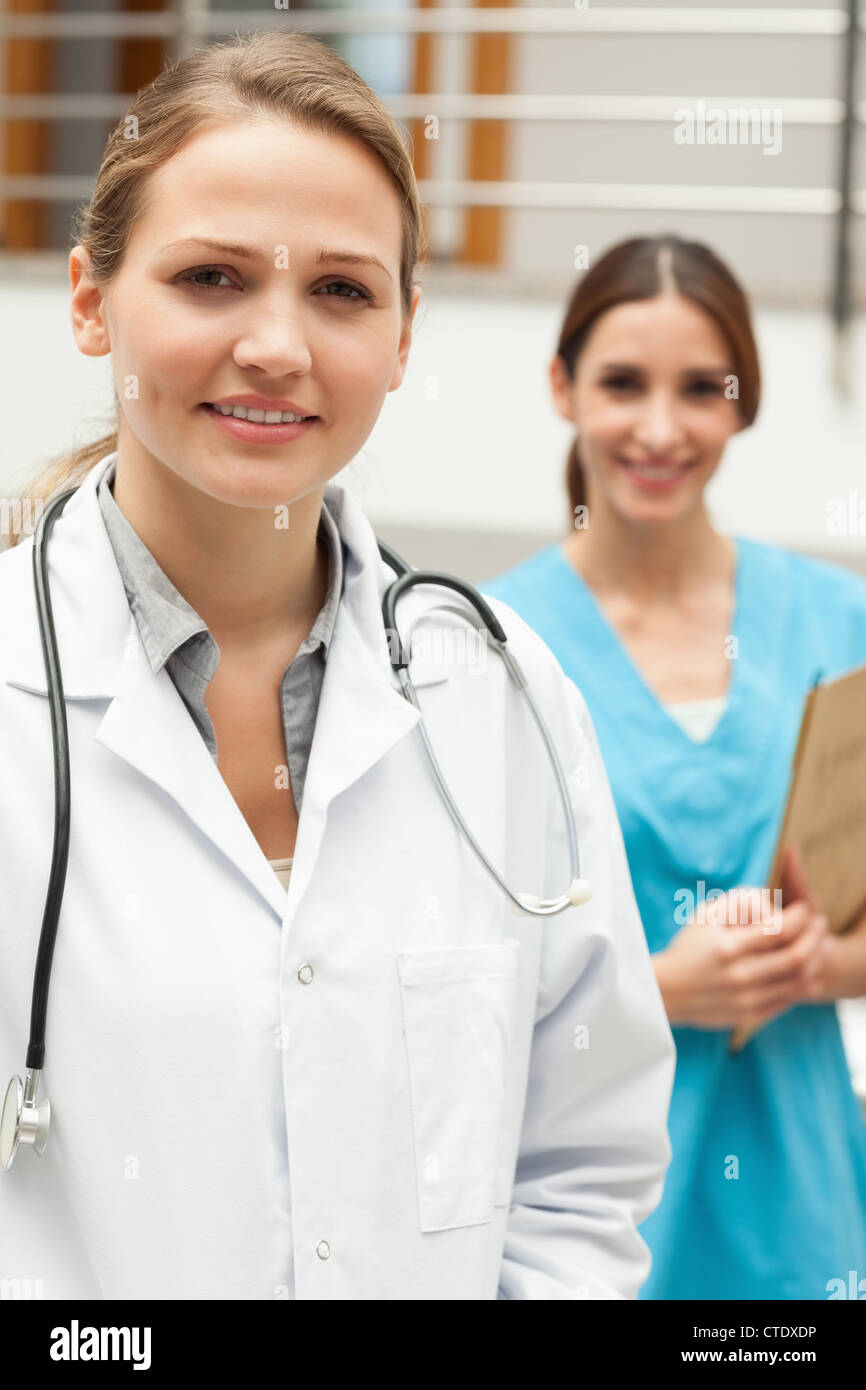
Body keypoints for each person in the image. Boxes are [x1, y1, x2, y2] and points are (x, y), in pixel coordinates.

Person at [0, 33, 674, 1300]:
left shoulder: (506, 695)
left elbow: (581, 1160)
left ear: (406, 335)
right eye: (210, 277)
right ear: (90, 299)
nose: (276, 345)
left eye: (343, 291)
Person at [482, 234, 866, 1301]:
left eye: (700, 389)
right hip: (579, 1219)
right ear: (561, 387)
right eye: (620, 384)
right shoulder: (483, 647)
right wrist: (657, 989)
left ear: (742, 403)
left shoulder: (838, 623)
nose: (658, 428)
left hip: (797, 1208)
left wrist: (812, 965)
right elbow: (438, 980)